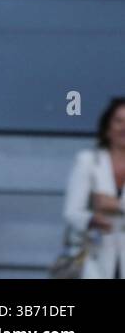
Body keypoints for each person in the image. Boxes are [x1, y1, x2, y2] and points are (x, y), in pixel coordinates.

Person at [63, 98, 125, 278]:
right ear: (107, 128)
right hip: (95, 256)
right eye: (118, 121)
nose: (123, 128)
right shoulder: (87, 161)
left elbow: (107, 204)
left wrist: (114, 205)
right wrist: (91, 219)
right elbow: (71, 212)